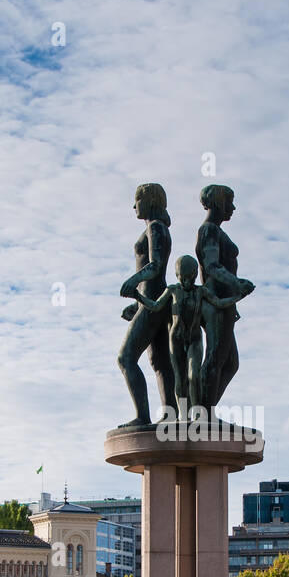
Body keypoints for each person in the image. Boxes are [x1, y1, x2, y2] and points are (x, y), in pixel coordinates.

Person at [131, 254, 251, 418]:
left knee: (193, 376)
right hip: (177, 340)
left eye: (190, 278)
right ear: (176, 276)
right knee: (180, 380)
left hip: (194, 339)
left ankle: (197, 414)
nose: (187, 282)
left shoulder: (201, 291)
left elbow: (219, 303)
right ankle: (184, 416)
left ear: (195, 275)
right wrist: (136, 296)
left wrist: (240, 296)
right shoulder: (172, 290)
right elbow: (156, 305)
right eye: (183, 278)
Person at [117, 182, 176, 426]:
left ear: (150, 200)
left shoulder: (156, 228)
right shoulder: (156, 228)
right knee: (160, 361)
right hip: (151, 299)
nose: (134, 206)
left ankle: (142, 416)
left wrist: (134, 281)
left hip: (152, 300)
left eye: (137, 200)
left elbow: (156, 266)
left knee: (126, 358)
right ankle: (170, 415)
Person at [196, 184, 254, 407]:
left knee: (229, 362)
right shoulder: (209, 229)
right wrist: (236, 283)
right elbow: (211, 266)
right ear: (218, 202)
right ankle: (202, 414)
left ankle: (203, 410)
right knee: (216, 358)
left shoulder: (216, 231)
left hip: (225, 302)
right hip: (216, 302)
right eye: (229, 202)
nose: (233, 207)